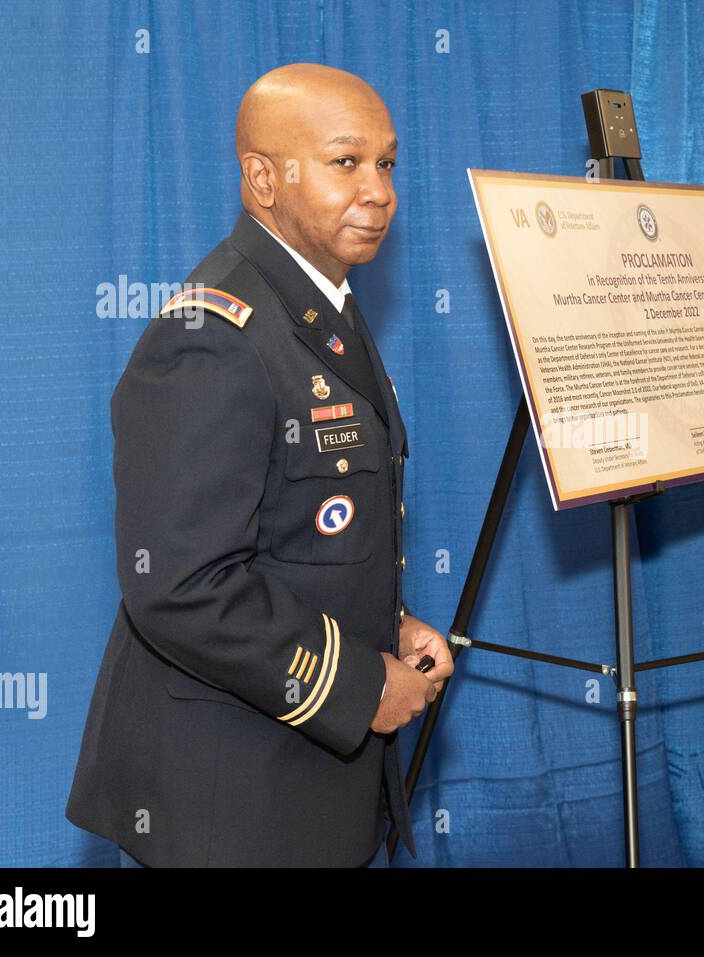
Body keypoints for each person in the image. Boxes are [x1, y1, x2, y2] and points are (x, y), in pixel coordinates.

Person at [65, 63, 452, 867]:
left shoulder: (325, 308)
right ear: (263, 178)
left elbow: (302, 536)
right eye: (347, 162)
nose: (378, 190)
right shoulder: (213, 334)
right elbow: (180, 584)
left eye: (387, 163)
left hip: (304, 781)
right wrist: (360, 684)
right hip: (232, 797)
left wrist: (392, 625)